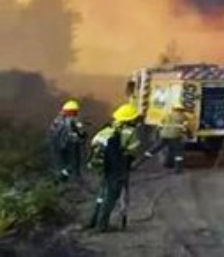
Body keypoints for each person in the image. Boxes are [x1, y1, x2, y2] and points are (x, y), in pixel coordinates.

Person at [86, 103, 142, 232]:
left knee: (102, 194)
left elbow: (93, 144)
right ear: (130, 119)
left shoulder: (107, 129)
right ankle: (102, 225)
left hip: (101, 166)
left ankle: (92, 221)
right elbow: (132, 151)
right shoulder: (130, 132)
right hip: (116, 168)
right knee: (111, 195)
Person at [49, 99, 88, 181]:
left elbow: (52, 131)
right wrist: (83, 135)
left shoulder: (57, 120)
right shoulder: (73, 119)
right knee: (74, 163)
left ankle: (61, 176)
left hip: (57, 145)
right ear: (72, 111)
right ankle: (74, 179)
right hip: (71, 144)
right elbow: (80, 131)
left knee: (61, 163)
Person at [152, 103, 189, 173]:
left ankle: (138, 162)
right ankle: (178, 170)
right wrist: (188, 135)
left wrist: (156, 134)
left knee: (154, 150)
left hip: (164, 136)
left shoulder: (167, 115)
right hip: (175, 137)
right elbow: (185, 128)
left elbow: (159, 126)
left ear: (173, 109)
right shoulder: (183, 117)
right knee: (178, 153)